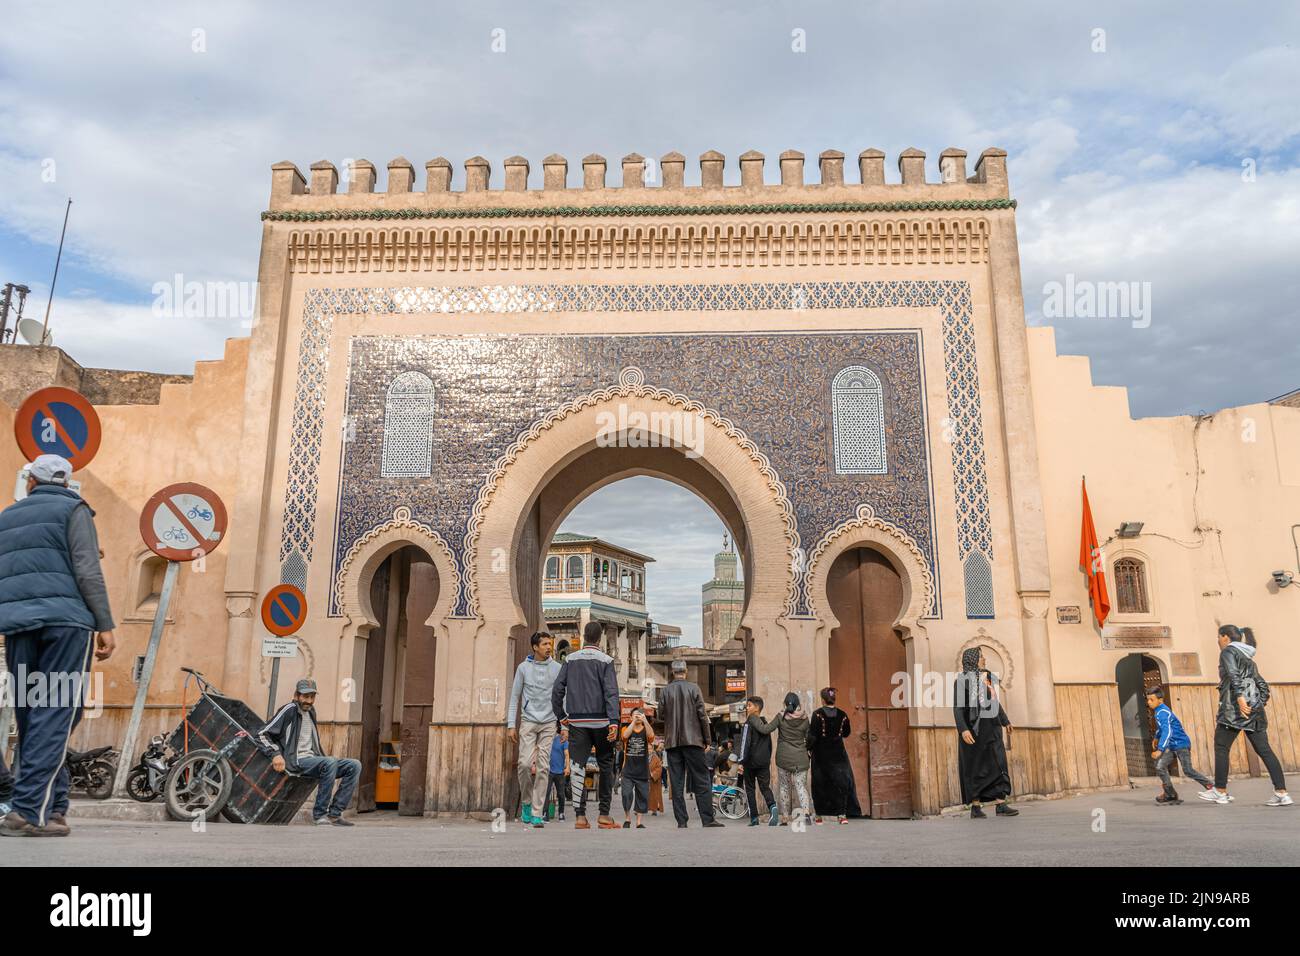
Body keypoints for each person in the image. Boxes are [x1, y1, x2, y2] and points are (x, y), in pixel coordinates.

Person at [0, 455, 115, 838]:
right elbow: (87, 568)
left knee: (34, 716)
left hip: (19, 628)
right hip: (67, 626)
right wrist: (105, 624)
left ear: (30, 481)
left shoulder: (8, 516)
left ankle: (54, 810)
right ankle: (27, 810)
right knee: (56, 713)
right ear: (66, 484)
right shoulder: (74, 509)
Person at [1198, 626, 1291, 806]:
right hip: (1253, 711)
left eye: (1219, 637)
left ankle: (1220, 791)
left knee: (1221, 747)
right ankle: (1282, 793)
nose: (1218, 640)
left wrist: (1240, 699)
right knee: (1265, 750)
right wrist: (1256, 704)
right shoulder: (1248, 658)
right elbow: (1262, 685)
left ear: (1225, 637)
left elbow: (1233, 675)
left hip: (1233, 710)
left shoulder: (1228, 652)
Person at [258, 678, 360, 826]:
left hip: (313, 760)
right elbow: (262, 733)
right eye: (305, 696)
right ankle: (320, 815)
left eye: (312, 697)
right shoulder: (289, 709)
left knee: (354, 765)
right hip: (296, 761)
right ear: (296, 695)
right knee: (329, 762)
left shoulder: (311, 711)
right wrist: (276, 755)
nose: (309, 701)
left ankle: (335, 814)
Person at [551, 620, 620, 829]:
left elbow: (557, 691)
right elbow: (611, 693)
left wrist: (561, 716)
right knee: (606, 765)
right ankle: (604, 815)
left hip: (577, 722)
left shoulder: (570, 660)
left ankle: (580, 817)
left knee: (577, 766)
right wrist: (614, 721)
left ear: (584, 637)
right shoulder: (606, 660)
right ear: (599, 638)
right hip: (601, 722)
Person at [507, 631, 563, 827]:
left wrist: (563, 724)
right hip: (528, 720)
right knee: (523, 764)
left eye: (550, 643)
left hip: (549, 722)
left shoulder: (557, 668)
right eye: (545, 644)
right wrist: (511, 725)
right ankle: (527, 804)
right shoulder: (523, 668)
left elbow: (562, 696)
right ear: (535, 647)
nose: (549, 647)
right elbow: (515, 696)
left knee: (543, 766)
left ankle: (538, 812)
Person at [954, 648, 1017, 819]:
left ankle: (1000, 804)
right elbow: (958, 709)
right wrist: (963, 729)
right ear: (973, 660)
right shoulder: (961, 681)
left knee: (999, 763)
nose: (984, 659)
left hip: (993, 729)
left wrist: (1005, 721)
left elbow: (995, 701)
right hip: (973, 731)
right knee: (976, 768)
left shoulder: (988, 677)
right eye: (981, 656)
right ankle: (975, 807)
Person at [660, 658, 723, 828]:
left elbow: (660, 715)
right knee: (702, 780)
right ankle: (707, 819)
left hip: (672, 743)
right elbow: (703, 716)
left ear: (673, 672)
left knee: (677, 782)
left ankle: (682, 821)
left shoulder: (665, 691)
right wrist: (707, 739)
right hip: (694, 740)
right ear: (685, 671)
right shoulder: (694, 688)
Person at [1146, 686, 1212, 805]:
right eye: (1148, 699)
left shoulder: (1162, 712)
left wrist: (1160, 749)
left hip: (1181, 744)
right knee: (1160, 766)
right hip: (1172, 746)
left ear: (1160, 700)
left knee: (1188, 770)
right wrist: (1156, 736)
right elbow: (1162, 728)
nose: (1149, 702)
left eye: (1151, 700)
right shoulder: (1159, 711)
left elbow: (1167, 731)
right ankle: (1170, 794)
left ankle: (1211, 787)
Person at [807, 687, 854, 824]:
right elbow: (846, 733)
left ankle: (819, 816)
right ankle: (842, 815)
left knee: (819, 784)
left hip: (820, 756)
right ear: (834, 699)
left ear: (822, 700)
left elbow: (813, 736)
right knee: (840, 783)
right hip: (838, 755)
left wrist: (808, 748)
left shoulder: (817, 715)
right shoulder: (843, 715)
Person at [763, 691, 811, 825]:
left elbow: (766, 729)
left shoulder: (780, 717)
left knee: (784, 786)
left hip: (783, 758)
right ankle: (806, 814)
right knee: (801, 786)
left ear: (785, 703)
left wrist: (756, 721)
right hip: (801, 757)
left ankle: (784, 818)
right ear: (798, 705)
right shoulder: (805, 718)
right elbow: (809, 738)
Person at [737, 696, 778, 826]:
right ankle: (773, 807)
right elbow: (769, 744)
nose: (747, 708)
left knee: (750, 788)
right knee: (765, 787)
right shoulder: (764, 722)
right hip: (763, 761)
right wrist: (767, 758)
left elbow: (745, 743)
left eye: (749, 705)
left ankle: (754, 817)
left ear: (756, 708)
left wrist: (741, 761)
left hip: (750, 762)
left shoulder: (749, 722)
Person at [620, 708, 655, 828]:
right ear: (630, 717)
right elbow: (625, 736)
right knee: (626, 794)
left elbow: (651, 737)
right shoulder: (626, 728)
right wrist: (633, 722)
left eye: (639, 715)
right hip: (628, 769)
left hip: (642, 770)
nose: (638, 717)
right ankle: (627, 818)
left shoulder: (646, 729)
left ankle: (639, 822)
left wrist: (645, 721)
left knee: (642, 796)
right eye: (635, 715)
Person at [545, 726, 570, 821]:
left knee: (561, 794)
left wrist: (567, 767)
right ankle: (545, 813)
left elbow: (567, 754)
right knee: (546, 793)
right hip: (548, 771)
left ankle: (561, 813)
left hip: (560, 772)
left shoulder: (562, 739)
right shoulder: (547, 739)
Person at [648, 739, 665, 816]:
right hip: (645, 780)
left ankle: (654, 810)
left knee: (654, 796)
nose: (649, 750)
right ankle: (640, 809)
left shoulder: (656, 757)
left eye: (650, 749)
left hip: (654, 780)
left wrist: (653, 774)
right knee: (643, 795)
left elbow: (659, 768)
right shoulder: (644, 757)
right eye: (647, 749)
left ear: (653, 749)